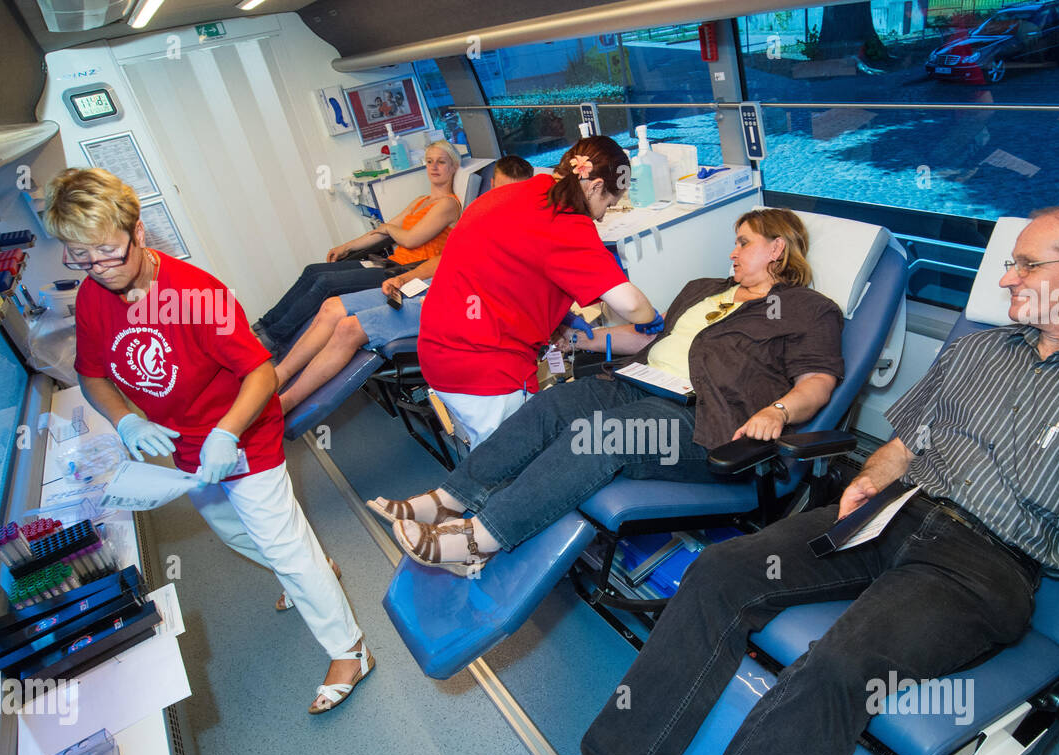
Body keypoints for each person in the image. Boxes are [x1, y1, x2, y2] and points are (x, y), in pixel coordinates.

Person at [454, 203, 1059, 755]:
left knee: (841, 664)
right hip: (888, 513)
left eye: (1025, 264)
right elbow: (905, 443)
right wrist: (870, 477)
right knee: (719, 574)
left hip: (982, 564)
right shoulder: (979, 350)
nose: (1005, 278)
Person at [44, 168, 375, 715]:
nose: (97, 270)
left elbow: (262, 374)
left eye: (107, 252)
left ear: (139, 233)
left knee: (282, 541)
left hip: (243, 432)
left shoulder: (196, 293)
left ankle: (350, 650)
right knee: (232, 532)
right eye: (81, 257)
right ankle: (311, 569)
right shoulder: (92, 297)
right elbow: (93, 374)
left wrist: (227, 431)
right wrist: (125, 419)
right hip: (186, 445)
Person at [371, 209, 843, 577]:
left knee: (605, 435)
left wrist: (778, 411)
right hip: (638, 384)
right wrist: (578, 339)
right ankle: (450, 498)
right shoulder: (705, 289)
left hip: (703, 422)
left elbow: (818, 380)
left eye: (743, 243)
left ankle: (477, 541)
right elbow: (648, 341)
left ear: (777, 248)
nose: (732, 253)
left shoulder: (808, 309)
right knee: (554, 404)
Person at [411, 135, 660, 448]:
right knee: (508, 465)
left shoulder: (520, 191)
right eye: (608, 205)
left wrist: (557, 316)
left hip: (439, 350)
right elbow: (632, 306)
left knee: (485, 455)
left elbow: (505, 267)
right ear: (595, 186)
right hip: (485, 368)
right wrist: (652, 319)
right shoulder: (566, 220)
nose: (600, 216)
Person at [271, 155, 535, 414]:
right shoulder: (479, 218)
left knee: (349, 328)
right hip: (429, 283)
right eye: (502, 190)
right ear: (492, 186)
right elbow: (446, 258)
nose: (507, 199)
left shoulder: (528, 234)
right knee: (331, 307)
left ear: (529, 189)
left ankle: (286, 403)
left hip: (456, 304)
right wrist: (404, 278)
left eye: (515, 192)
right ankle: (276, 378)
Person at [254, 140, 462, 351]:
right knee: (313, 270)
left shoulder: (448, 204)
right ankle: (263, 326)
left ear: (453, 166)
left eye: (441, 162)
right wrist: (347, 247)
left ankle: (271, 340)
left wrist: (389, 229)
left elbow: (409, 239)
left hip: (406, 272)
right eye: (429, 161)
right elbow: (383, 231)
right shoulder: (420, 200)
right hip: (390, 263)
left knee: (326, 283)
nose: (434, 167)